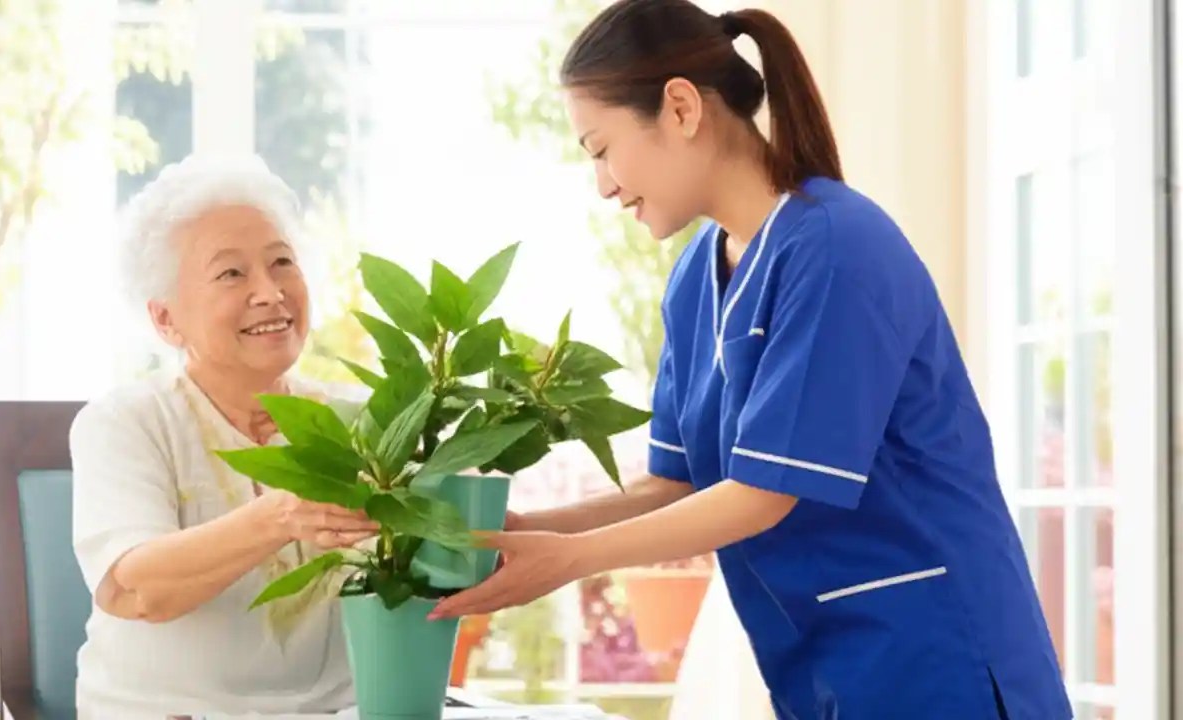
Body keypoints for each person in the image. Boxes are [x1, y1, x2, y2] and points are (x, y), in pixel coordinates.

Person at [428, 2, 1073, 718]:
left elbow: (765, 492)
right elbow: (674, 486)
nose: (604, 184)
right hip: (825, 668)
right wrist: (534, 529)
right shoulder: (693, 281)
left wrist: (570, 563)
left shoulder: (837, 247)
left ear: (679, 107)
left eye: (601, 148)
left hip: (935, 659)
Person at [69, 154, 376, 718]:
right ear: (166, 319)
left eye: (282, 262)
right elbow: (140, 589)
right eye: (232, 273)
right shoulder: (125, 423)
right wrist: (285, 514)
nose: (271, 292)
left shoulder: (362, 420)